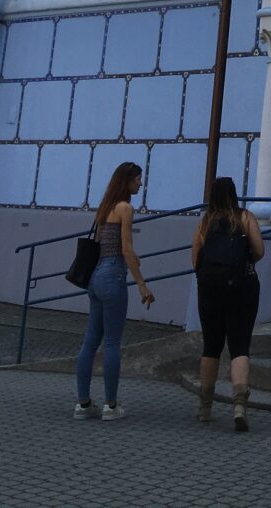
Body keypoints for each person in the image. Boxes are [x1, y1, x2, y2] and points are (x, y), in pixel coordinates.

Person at [74, 161, 154, 420]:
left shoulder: (106, 207)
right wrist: (141, 283)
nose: (140, 184)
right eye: (138, 179)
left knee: (90, 341)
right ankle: (111, 406)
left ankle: (83, 404)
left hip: (96, 276)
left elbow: (104, 243)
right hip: (114, 277)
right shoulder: (125, 208)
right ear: (128, 181)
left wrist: (130, 257)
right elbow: (125, 248)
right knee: (111, 343)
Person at [191, 177, 264, 431]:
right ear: (234, 195)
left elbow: (195, 261)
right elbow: (259, 251)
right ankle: (239, 405)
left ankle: (205, 407)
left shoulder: (205, 222)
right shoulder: (245, 218)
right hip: (242, 286)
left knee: (211, 346)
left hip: (210, 288)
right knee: (239, 345)